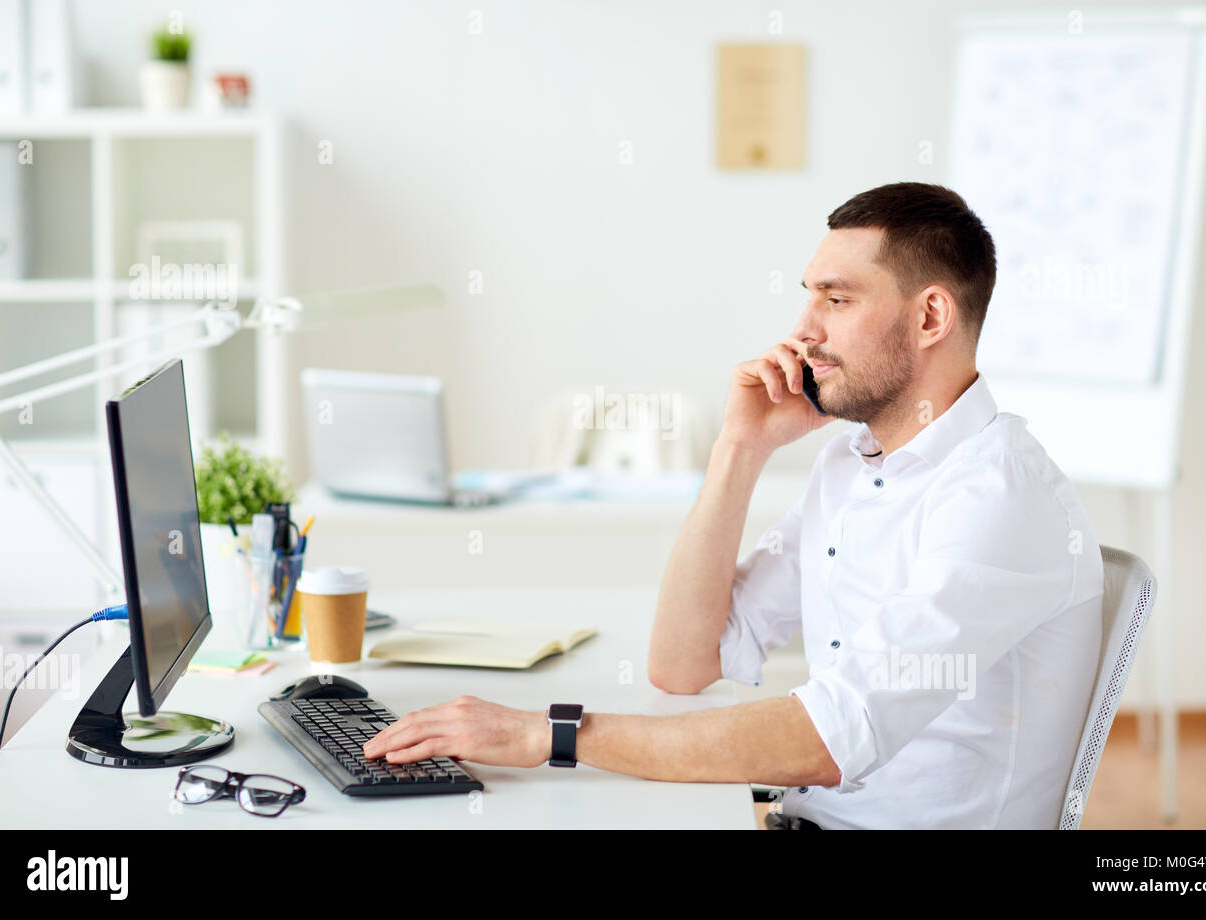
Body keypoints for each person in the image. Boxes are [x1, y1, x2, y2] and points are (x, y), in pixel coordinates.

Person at [362, 182, 1103, 829]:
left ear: (931, 317)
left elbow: (826, 740)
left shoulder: (997, 497)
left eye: (836, 299)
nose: (803, 329)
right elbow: (685, 662)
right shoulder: (852, 463)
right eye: (809, 295)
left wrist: (550, 735)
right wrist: (737, 452)